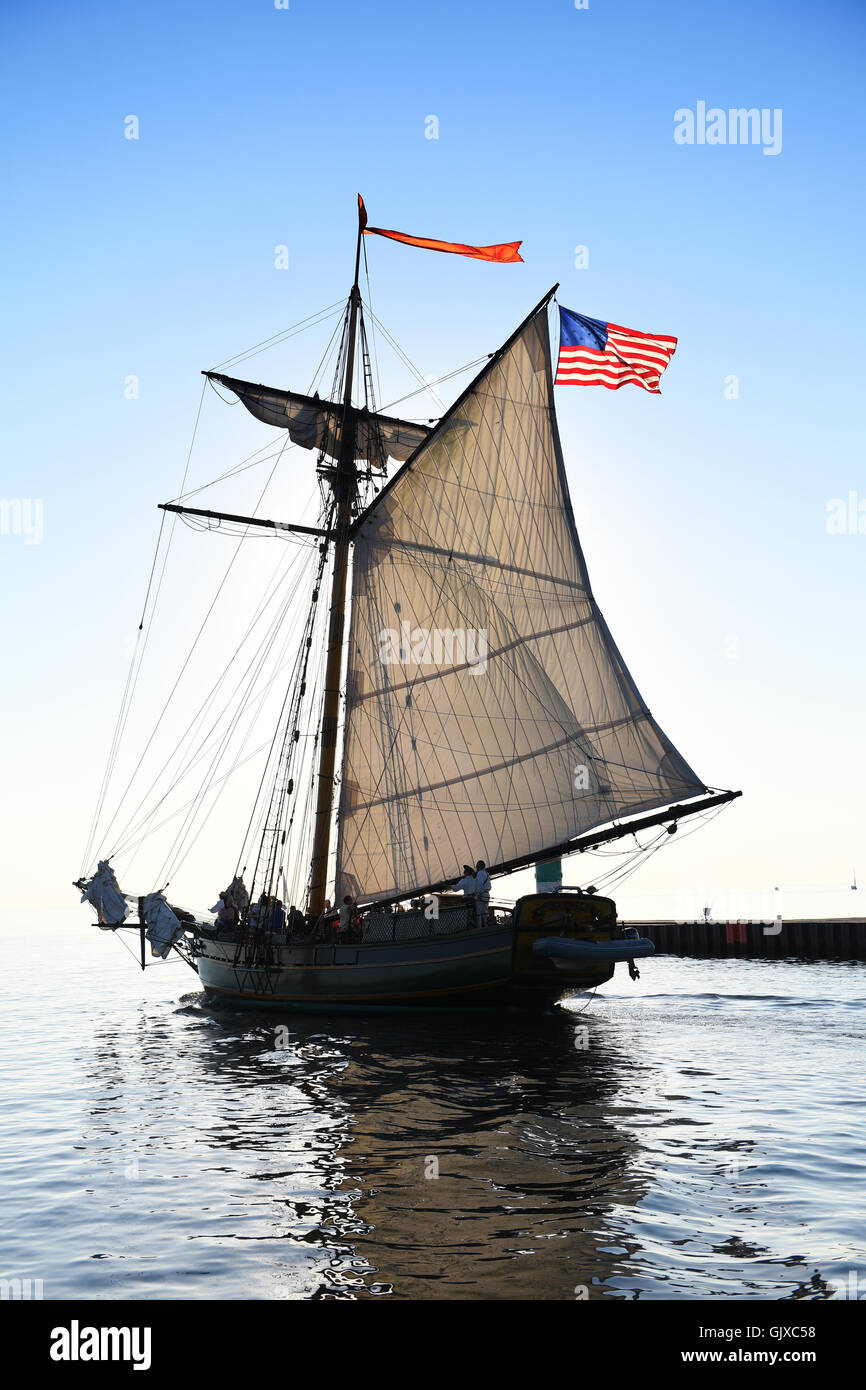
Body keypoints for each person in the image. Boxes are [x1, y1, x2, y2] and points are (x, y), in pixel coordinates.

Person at [474, 860, 491, 928]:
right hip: (486, 894)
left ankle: (479, 928)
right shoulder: (487, 873)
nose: (476, 867)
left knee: (478, 913)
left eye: (477, 866)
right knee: (485, 912)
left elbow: (479, 885)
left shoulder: (480, 873)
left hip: (481, 895)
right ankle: (486, 926)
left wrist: (477, 894)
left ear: (480, 866)